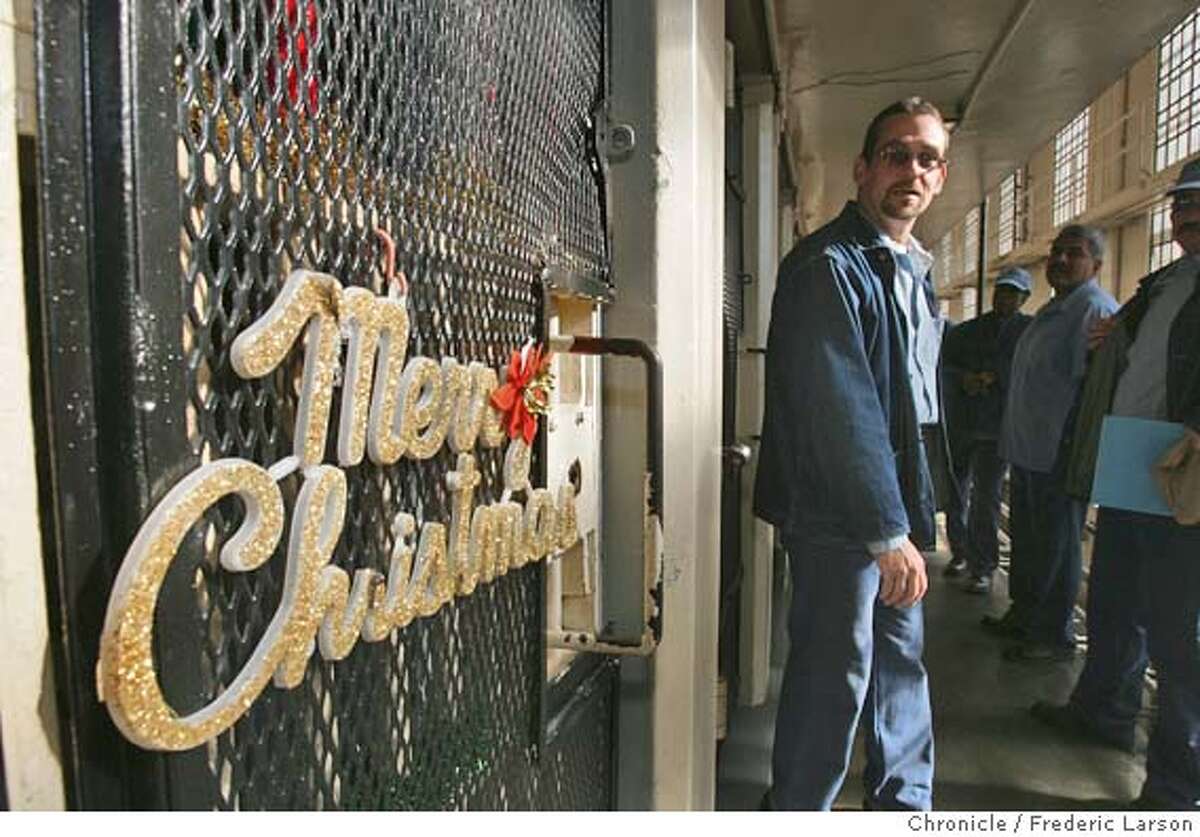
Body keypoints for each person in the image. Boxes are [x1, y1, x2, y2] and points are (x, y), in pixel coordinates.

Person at [753, 97, 948, 811]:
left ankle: (905, 807)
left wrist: (913, 514)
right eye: (897, 153)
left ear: (942, 175)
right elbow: (844, 408)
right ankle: (799, 811)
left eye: (927, 158)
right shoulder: (828, 265)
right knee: (837, 674)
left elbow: (916, 400)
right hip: (845, 516)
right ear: (863, 168)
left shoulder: (908, 268)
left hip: (891, 504)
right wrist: (886, 529)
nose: (912, 170)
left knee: (900, 667)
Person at [1030, 159, 1200, 810]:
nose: (1185, 213)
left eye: (1197, 203)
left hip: (1185, 470)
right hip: (1135, 456)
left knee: (1178, 631)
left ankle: (1175, 791)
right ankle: (1103, 711)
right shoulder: (1162, 283)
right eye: (1180, 203)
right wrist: (1113, 335)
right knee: (1113, 597)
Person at [985, 225, 1117, 661]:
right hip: (1027, 450)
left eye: (1073, 253)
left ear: (1096, 265)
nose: (1060, 260)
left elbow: (1093, 391)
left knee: (1057, 548)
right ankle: (1025, 616)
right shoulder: (1052, 309)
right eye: (1056, 252)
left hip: (1057, 454)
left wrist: (1071, 451)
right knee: (1028, 542)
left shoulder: (1094, 312)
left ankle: (1053, 635)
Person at [941, 268, 1033, 594]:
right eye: (1002, 291)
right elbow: (945, 366)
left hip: (998, 429)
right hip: (963, 424)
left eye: (1013, 294)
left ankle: (983, 565)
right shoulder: (967, 332)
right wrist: (963, 379)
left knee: (986, 498)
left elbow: (1032, 377)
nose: (1005, 298)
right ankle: (960, 552)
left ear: (1024, 299)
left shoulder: (1029, 333)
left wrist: (996, 379)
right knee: (956, 491)